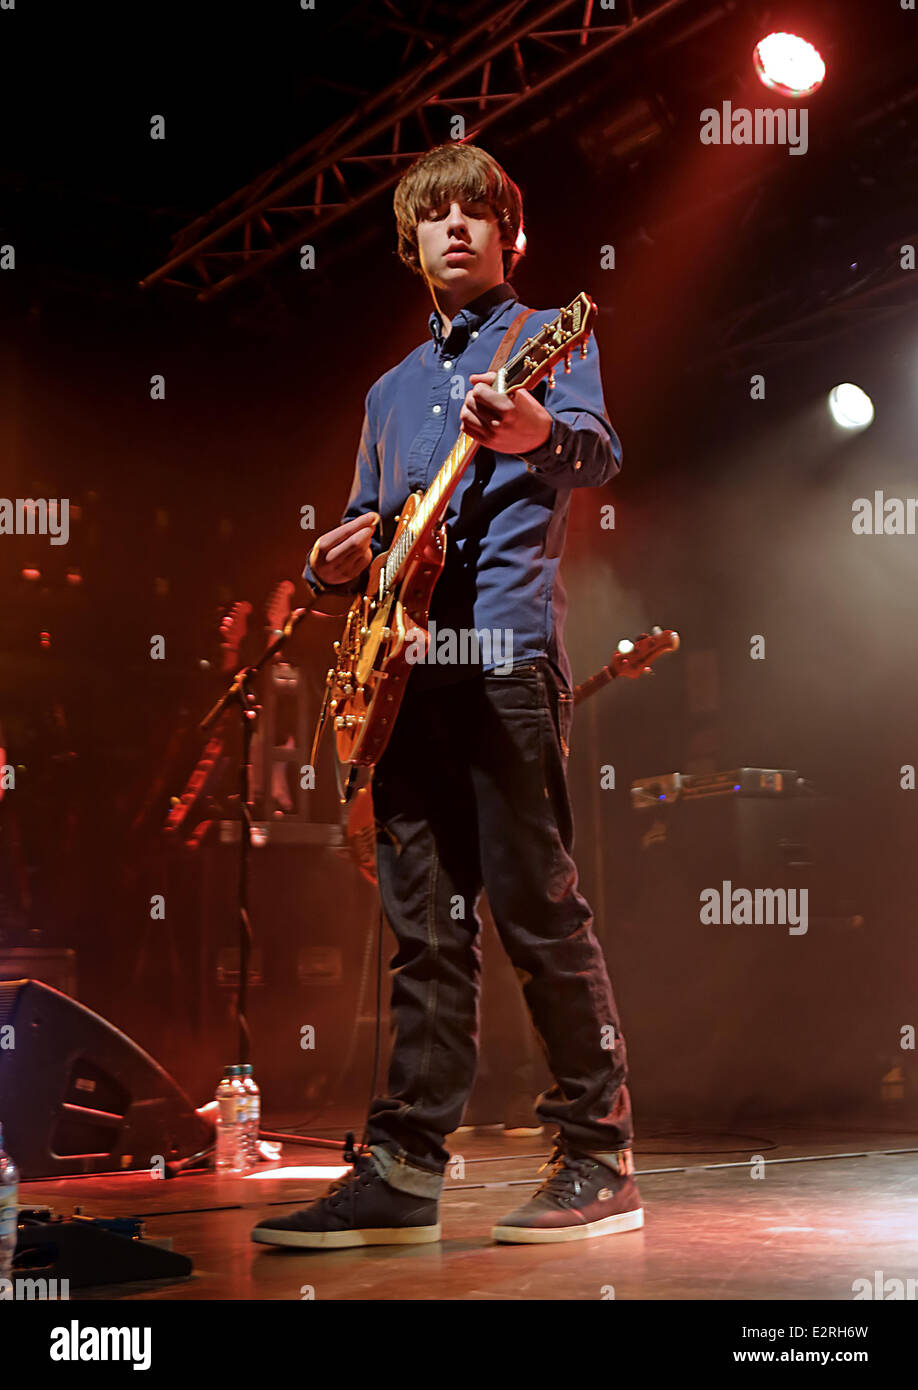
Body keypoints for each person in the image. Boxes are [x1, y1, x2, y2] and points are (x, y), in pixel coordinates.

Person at [251, 142, 642, 1249]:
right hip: (404, 677)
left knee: (537, 910)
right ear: (412, 244)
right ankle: (403, 1170)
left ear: (511, 237)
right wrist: (335, 565)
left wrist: (537, 431)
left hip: (505, 659)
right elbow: (369, 535)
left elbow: (600, 451)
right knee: (424, 932)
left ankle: (599, 1157)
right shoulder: (387, 393)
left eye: (479, 213)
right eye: (438, 217)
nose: (458, 229)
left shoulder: (547, 337)